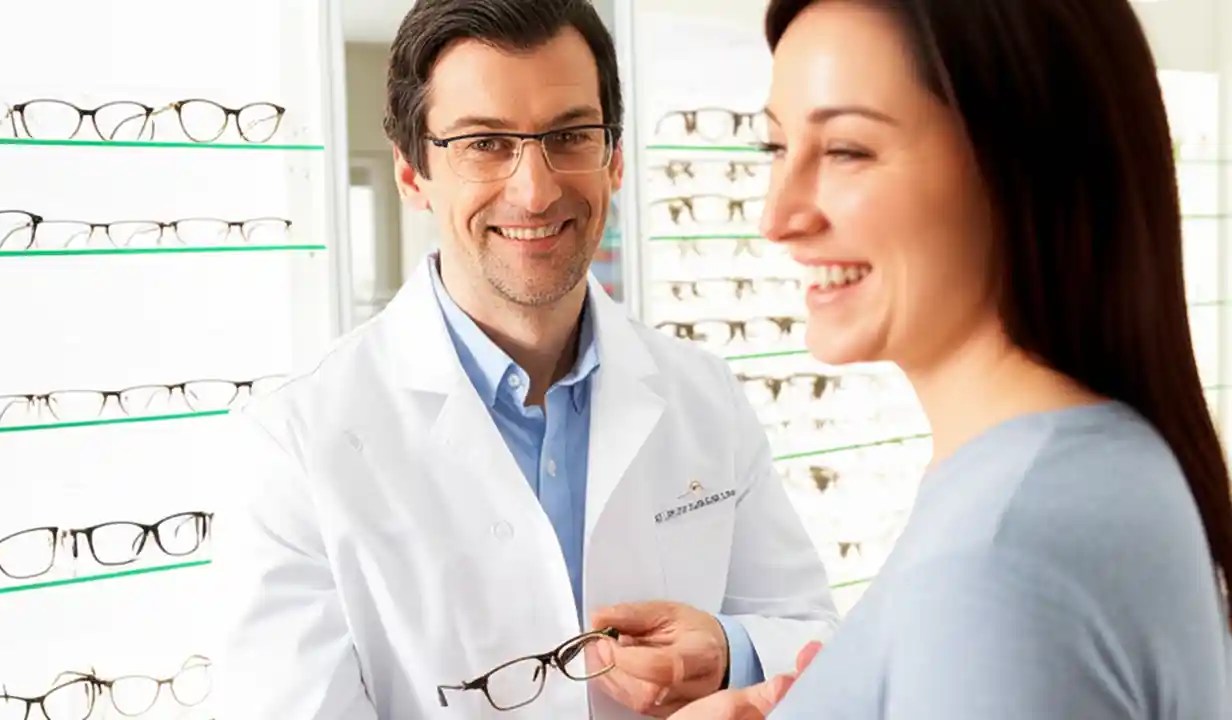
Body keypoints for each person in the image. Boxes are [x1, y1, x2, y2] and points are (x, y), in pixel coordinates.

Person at [214, 1, 839, 718]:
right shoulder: (293, 443)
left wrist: (729, 652)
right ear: (413, 175)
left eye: (570, 135)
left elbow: (815, 638)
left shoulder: (703, 394)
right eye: (485, 144)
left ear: (615, 158)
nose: (536, 190)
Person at [670, 0, 1232, 718]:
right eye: (776, 149)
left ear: (1021, 161)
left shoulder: (999, 558)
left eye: (846, 150)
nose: (778, 217)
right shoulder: (1102, 462)